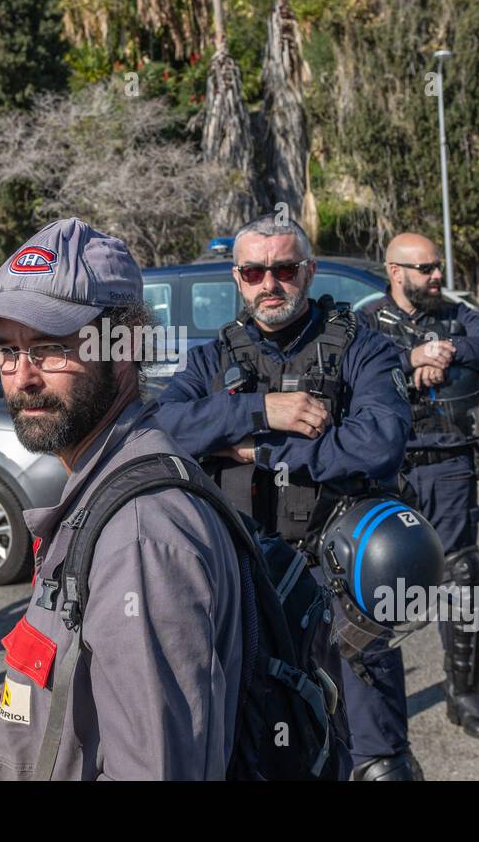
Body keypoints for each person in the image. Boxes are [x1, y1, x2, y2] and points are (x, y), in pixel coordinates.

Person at [0, 217, 241, 781]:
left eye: (49, 349)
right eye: (7, 352)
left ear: (125, 347)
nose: (22, 377)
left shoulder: (139, 534)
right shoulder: (99, 488)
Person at [156, 213, 418, 781]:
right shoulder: (209, 360)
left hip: (337, 576)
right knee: (250, 746)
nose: (269, 283)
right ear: (237, 277)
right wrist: (258, 411)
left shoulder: (363, 349)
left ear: (310, 271)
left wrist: (258, 449)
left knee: (376, 758)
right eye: (253, 271)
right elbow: (161, 427)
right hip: (243, 577)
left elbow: (380, 443)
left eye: (284, 269)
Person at [361, 233, 479, 739]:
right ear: (395, 271)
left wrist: (448, 349)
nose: (436, 276)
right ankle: (373, 712)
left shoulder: (456, 315)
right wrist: (411, 358)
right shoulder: (366, 321)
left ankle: (464, 692)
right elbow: (347, 373)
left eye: (438, 266)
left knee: (462, 575)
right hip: (387, 468)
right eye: (425, 268)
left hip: (450, 461)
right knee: (374, 581)